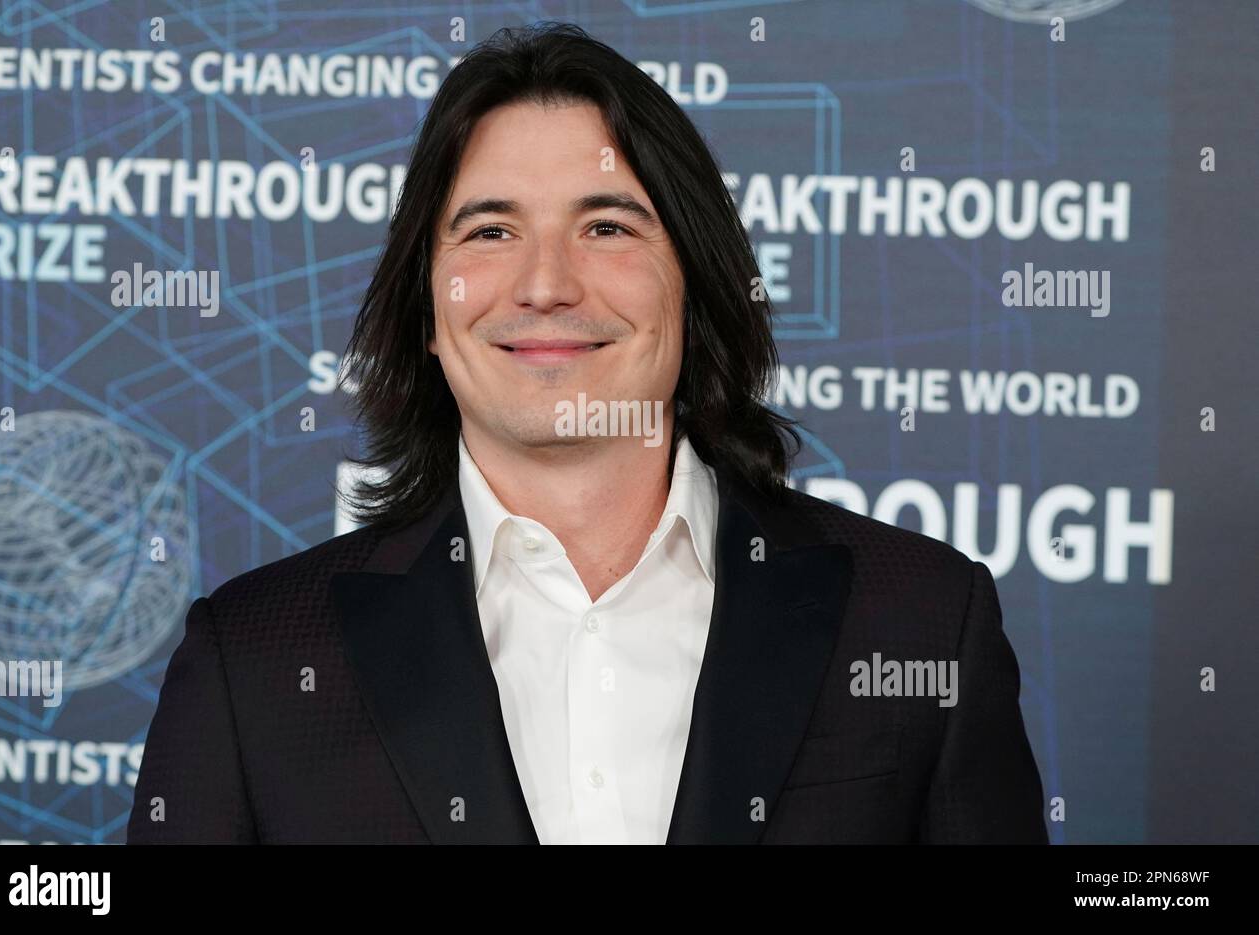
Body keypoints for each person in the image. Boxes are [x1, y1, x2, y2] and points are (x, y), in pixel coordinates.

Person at [127, 22, 1047, 844]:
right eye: (489, 231)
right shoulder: (251, 664)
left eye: (606, 225)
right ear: (423, 308)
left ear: (696, 284)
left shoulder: (924, 620)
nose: (545, 285)